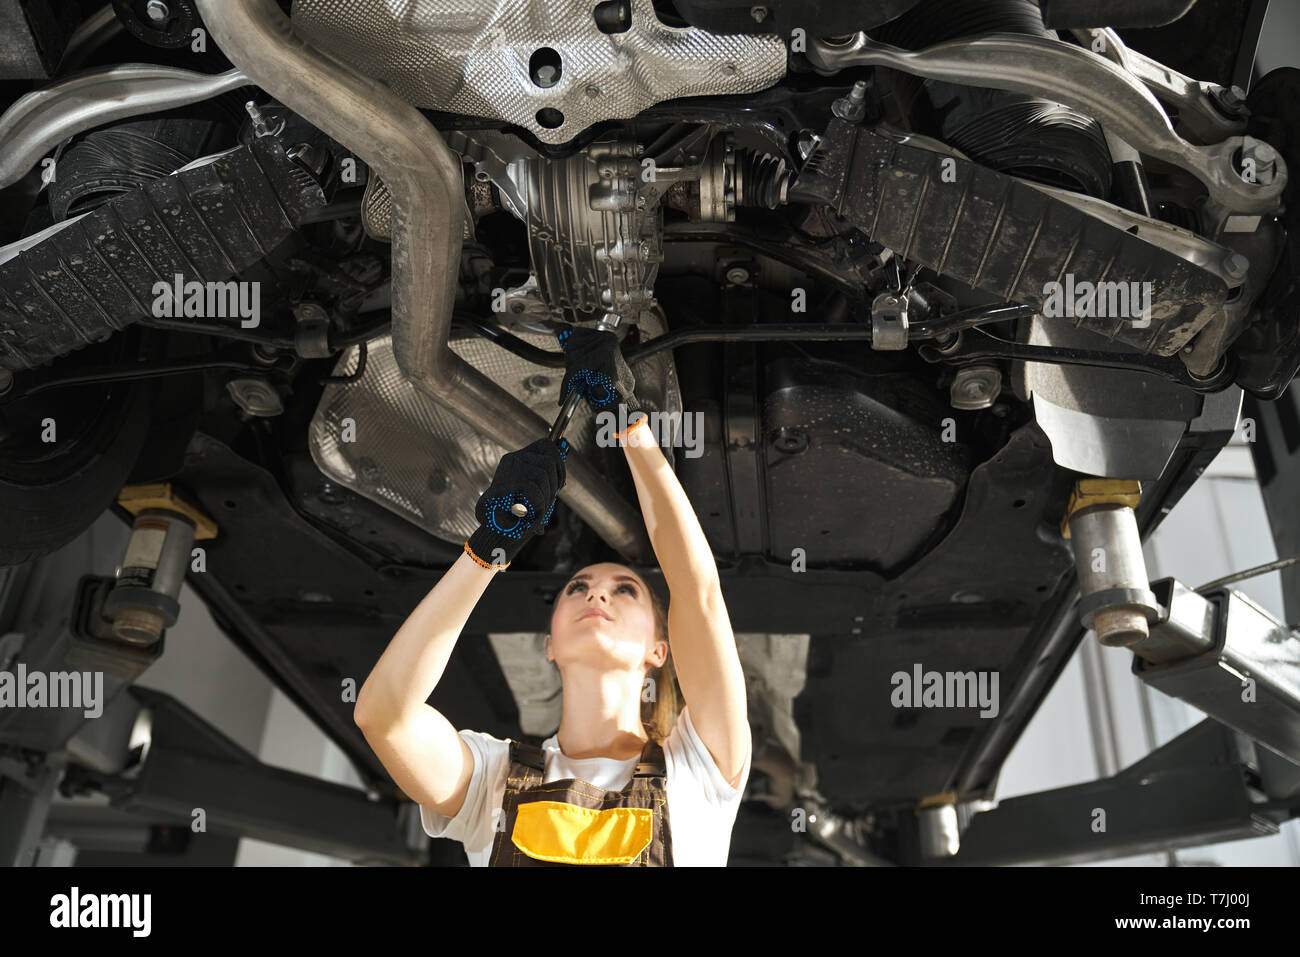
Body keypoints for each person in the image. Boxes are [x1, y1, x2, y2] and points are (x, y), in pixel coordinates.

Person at [354, 325, 751, 866]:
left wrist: (629, 423)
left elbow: (697, 590)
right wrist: (486, 550)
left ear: (660, 649)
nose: (599, 595)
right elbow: (384, 716)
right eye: (579, 587)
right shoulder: (492, 778)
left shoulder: (699, 767)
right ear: (549, 643)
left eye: (626, 589)